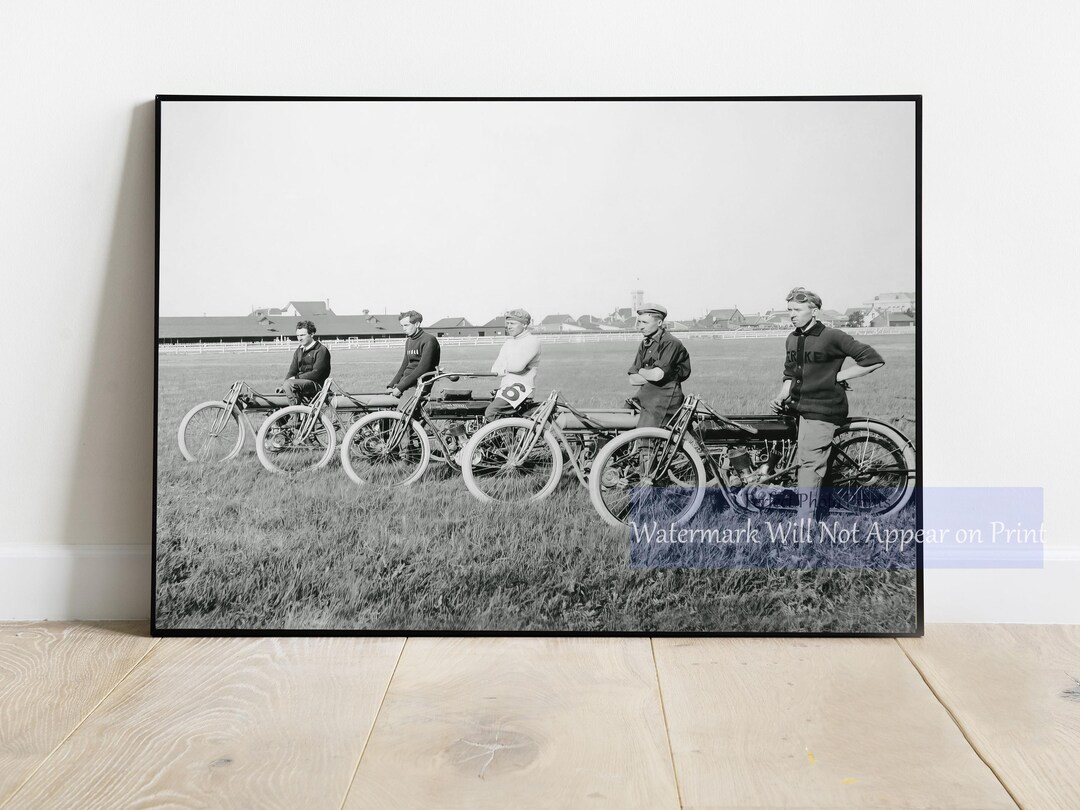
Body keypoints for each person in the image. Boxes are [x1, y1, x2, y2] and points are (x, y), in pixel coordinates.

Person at [769, 286, 884, 526]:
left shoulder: (832, 336)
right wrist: (782, 395)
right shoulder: (792, 338)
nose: (792, 314)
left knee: (809, 463)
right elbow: (790, 373)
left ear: (814, 311)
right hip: (798, 406)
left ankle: (804, 523)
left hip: (822, 408)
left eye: (798, 309)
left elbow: (872, 359)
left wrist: (839, 377)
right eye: (789, 309)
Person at [627, 303, 691, 428]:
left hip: (666, 396)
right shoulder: (645, 343)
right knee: (622, 419)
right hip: (645, 393)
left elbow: (657, 375)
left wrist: (640, 370)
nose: (639, 327)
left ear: (659, 323)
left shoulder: (671, 343)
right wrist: (650, 373)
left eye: (644, 323)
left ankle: (645, 448)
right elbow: (632, 380)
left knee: (644, 434)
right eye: (639, 322)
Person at [485, 308, 542, 420]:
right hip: (506, 388)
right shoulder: (508, 343)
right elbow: (495, 369)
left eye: (513, 323)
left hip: (522, 389)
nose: (509, 326)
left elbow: (517, 366)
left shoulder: (532, 341)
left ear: (525, 324)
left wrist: (504, 366)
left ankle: (502, 437)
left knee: (491, 412)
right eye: (508, 324)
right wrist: (507, 367)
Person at [387, 310, 441, 403]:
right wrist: (391, 385)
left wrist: (401, 387)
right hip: (407, 383)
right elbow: (404, 366)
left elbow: (423, 368)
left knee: (401, 414)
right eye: (402, 326)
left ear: (417, 324)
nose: (403, 329)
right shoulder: (409, 341)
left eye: (406, 325)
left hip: (420, 385)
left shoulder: (429, 340)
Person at [283, 320, 331, 421]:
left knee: (289, 385)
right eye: (298, 335)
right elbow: (292, 371)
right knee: (284, 387)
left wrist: (295, 379)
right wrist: (283, 384)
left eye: (303, 335)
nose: (299, 338)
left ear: (312, 334)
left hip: (317, 385)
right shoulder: (299, 350)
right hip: (302, 384)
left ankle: (295, 420)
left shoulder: (321, 350)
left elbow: (317, 373)